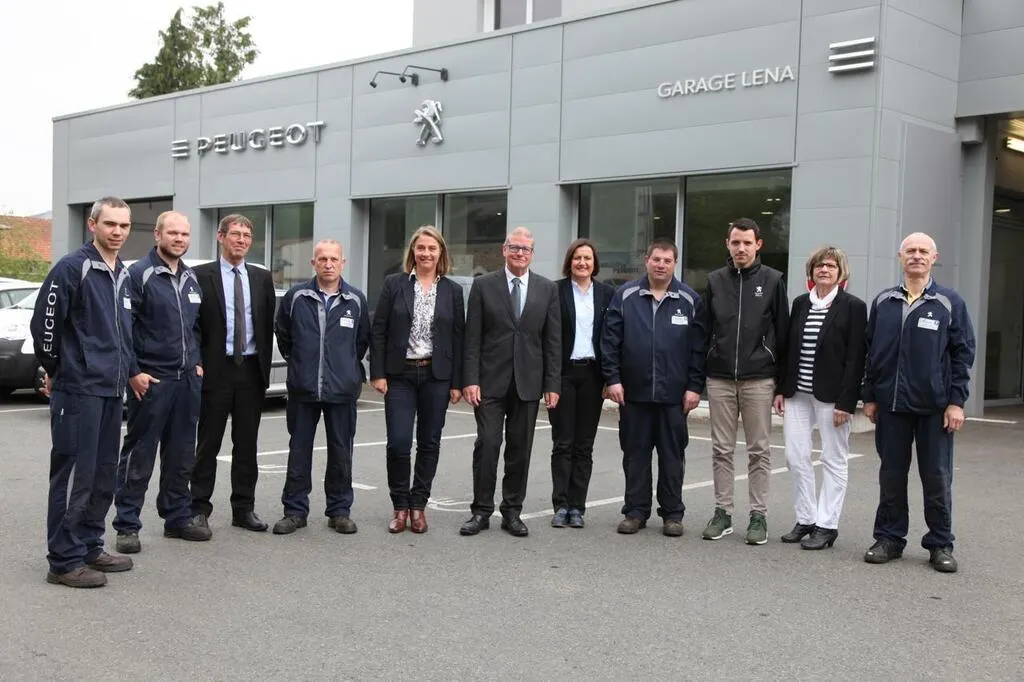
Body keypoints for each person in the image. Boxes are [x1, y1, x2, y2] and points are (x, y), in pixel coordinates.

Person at [30, 196, 136, 588]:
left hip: (111, 391)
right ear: (93, 225)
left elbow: (125, 333)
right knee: (74, 474)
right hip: (79, 391)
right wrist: (59, 370)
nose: (118, 232)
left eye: (124, 226)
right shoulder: (72, 268)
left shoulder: (122, 272)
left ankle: (90, 544)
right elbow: (45, 324)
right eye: (110, 224)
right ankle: (63, 559)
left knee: (103, 472)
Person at [862, 232, 976, 573]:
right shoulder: (883, 301)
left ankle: (940, 543)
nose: (916, 256)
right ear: (900, 257)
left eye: (922, 251)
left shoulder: (949, 302)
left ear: (934, 257)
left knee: (937, 477)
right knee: (891, 476)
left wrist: (956, 402)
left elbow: (962, 354)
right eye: (910, 250)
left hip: (934, 408)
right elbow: (871, 353)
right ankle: (889, 539)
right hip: (892, 406)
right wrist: (869, 396)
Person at [112, 212, 211, 554]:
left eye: (184, 234)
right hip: (152, 380)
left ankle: (176, 517)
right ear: (157, 234)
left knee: (182, 453)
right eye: (173, 233)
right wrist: (133, 371)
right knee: (140, 454)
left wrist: (196, 363)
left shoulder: (191, 278)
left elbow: (195, 327)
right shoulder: (138, 274)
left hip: (186, 381)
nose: (179, 239)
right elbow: (123, 327)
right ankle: (127, 525)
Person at [460, 226, 561, 538]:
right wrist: (470, 379)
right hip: (489, 381)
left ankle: (513, 511)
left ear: (532, 254)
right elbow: (472, 337)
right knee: (488, 444)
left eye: (525, 249)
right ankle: (480, 511)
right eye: (514, 248)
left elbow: (552, 341)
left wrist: (552, 383)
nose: (520, 253)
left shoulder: (547, 289)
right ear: (504, 250)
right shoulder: (483, 286)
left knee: (520, 449)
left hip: (528, 382)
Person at [602, 240, 707, 536]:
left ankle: (673, 514)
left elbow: (699, 348)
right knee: (635, 455)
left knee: (673, 456)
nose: (661, 265)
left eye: (667, 260)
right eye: (656, 259)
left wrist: (694, 387)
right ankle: (635, 512)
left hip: (675, 396)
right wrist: (613, 379)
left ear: (675, 264)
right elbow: (610, 342)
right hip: (633, 394)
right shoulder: (625, 296)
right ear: (646, 260)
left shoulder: (688, 299)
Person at [370, 226, 464, 534]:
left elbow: (458, 338)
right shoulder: (394, 284)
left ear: (440, 254)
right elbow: (379, 329)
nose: (425, 253)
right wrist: (379, 372)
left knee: (429, 442)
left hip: (437, 376)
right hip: (400, 375)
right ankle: (400, 506)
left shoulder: (453, 290)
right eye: (420, 248)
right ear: (413, 252)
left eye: (431, 249)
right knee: (398, 442)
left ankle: (418, 506)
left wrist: (456, 382)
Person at [272, 240, 370, 535]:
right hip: (303, 388)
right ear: (313, 263)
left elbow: (361, 341)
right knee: (299, 450)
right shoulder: (295, 296)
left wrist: (346, 370)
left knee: (341, 451)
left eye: (334, 259)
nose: (328, 264)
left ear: (343, 263)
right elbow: (284, 335)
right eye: (322, 259)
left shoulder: (356, 300)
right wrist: (302, 364)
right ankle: (295, 510)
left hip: (342, 390)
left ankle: (339, 511)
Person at [702, 217, 789, 545]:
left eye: (747, 243)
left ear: (758, 245)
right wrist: (700, 376)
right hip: (720, 378)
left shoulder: (772, 280)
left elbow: (783, 333)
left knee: (759, 450)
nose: (741, 248)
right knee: (721, 449)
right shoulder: (714, 281)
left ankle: (758, 516)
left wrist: (782, 384)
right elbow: (703, 330)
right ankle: (722, 513)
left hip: (759, 379)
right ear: (728, 244)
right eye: (735, 242)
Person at [774, 246, 866, 550]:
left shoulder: (852, 306)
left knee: (833, 459)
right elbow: (787, 349)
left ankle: (827, 525)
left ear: (841, 272)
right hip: (797, 394)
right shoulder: (801, 303)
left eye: (830, 266)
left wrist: (846, 403)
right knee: (795, 456)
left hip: (832, 398)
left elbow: (856, 357)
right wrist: (780, 389)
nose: (824, 270)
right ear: (811, 272)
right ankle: (806, 519)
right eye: (818, 266)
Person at [190, 214, 277, 533]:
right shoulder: (199, 275)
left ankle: (244, 508)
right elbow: (193, 325)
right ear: (220, 237)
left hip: (251, 371)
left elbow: (268, 323)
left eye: (246, 235)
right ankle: (198, 508)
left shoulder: (262, 278)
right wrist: (196, 362)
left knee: (247, 445)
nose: (241, 240)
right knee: (208, 444)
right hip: (215, 370)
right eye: (235, 234)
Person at [548, 239, 614, 529]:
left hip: (592, 375)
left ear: (594, 262)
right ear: (569, 262)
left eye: (587, 258)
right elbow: (547, 338)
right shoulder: (555, 291)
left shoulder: (606, 294)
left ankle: (578, 506)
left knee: (584, 445)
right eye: (577, 258)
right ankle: (560, 505)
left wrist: (610, 378)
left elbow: (612, 339)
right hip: (563, 374)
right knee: (563, 443)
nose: (582, 263)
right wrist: (548, 381)